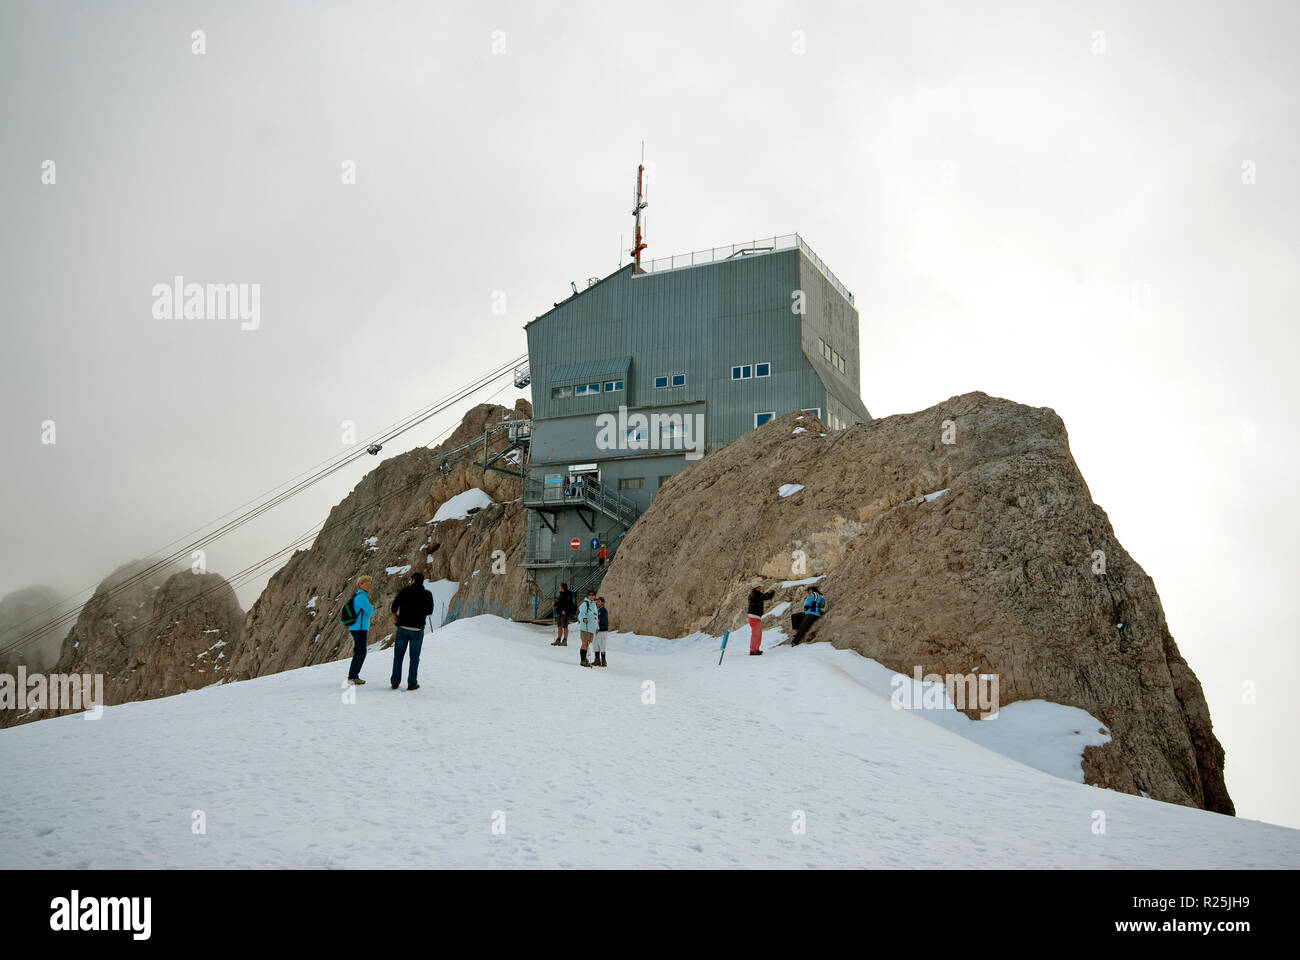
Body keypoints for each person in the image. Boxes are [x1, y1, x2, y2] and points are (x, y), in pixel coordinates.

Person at [390, 571, 435, 690]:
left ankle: (395, 682)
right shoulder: (427, 594)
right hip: (417, 629)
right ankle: (412, 683)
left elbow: (394, 606)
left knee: (398, 656)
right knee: (414, 658)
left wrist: (396, 615)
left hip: (403, 627)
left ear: (413, 580)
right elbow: (430, 611)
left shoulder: (405, 590)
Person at [346, 575, 375, 685]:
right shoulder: (361, 597)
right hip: (360, 628)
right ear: (360, 585)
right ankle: (353, 676)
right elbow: (370, 611)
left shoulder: (358, 596)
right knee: (360, 652)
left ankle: (353, 675)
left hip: (357, 628)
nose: (368, 586)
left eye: (369, 584)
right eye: (366, 584)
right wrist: (373, 607)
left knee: (360, 652)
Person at [747, 582, 775, 656]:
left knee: (758, 634)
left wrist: (769, 593)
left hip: (753, 616)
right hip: (754, 617)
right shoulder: (757, 594)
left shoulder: (754, 594)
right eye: (759, 587)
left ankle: (756, 649)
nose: (760, 588)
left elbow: (763, 596)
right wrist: (771, 593)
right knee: (756, 634)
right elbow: (765, 597)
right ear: (756, 588)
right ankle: (753, 650)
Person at [576, 589, 599, 668]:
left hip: (591, 628)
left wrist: (597, 627)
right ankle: (583, 660)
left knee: (587, 643)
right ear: (587, 596)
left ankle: (584, 658)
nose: (591, 596)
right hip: (585, 627)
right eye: (589, 594)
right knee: (584, 643)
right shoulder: (585, 604)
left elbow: (595, 617)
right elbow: (580, 614)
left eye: (593, 595)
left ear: (595, 596)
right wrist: (583, 619)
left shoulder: (594, 605)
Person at [551, 581, 576, 646]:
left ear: (562, 587)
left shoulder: (568, 594)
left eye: (560, 586)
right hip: (559, 612)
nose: (559, 587)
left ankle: (565, 640)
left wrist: (565, 610)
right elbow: (560, 603)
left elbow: (569, 604)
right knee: (559, 626)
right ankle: (558, 639)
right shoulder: (561, 594)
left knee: (565, 626)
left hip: (564, 613)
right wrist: (555, 604)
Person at [592, 596, 610, 667]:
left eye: (599, 601)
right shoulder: (596, 610)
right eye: (597, 601)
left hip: (602, 630)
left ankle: (603, 660)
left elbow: (604, 620)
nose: (597, 603)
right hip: (595, 630)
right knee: (595, 644)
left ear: (602, 603)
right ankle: (597, 660)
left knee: (602, 645)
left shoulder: (603, 610)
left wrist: (598, 621)